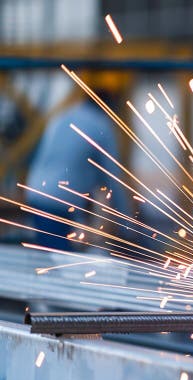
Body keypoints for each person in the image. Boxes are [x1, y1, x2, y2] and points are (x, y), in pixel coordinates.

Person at [25, 72, 131, 251]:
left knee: (54, 255)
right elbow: (114, 178)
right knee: (60, 259)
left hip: (36, 192)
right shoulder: (101, 125)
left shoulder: (64, 116)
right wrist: (127, 225)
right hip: (57, 200)